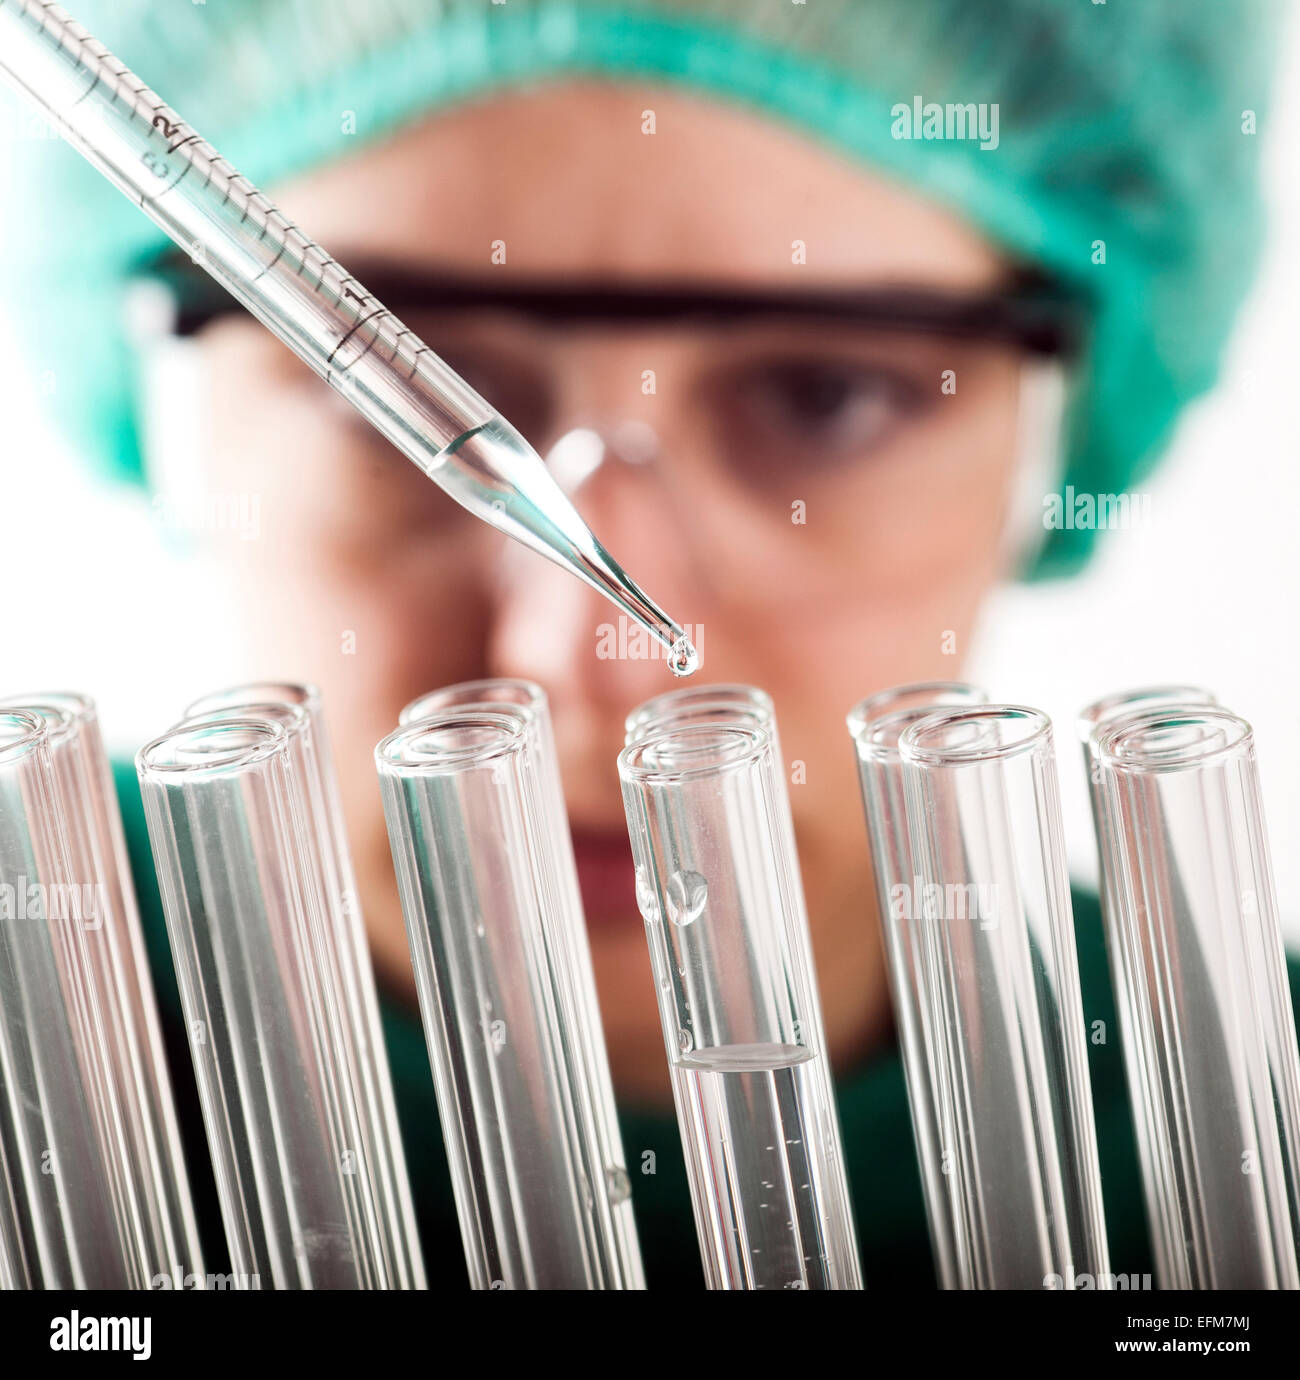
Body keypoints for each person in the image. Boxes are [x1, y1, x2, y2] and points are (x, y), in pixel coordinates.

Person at [4, 0, 1291, 1288]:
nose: (591, 655)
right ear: (161, 406)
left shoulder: (1243, 1135)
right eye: (379, 395)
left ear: (1054, 440)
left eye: (823, 395)